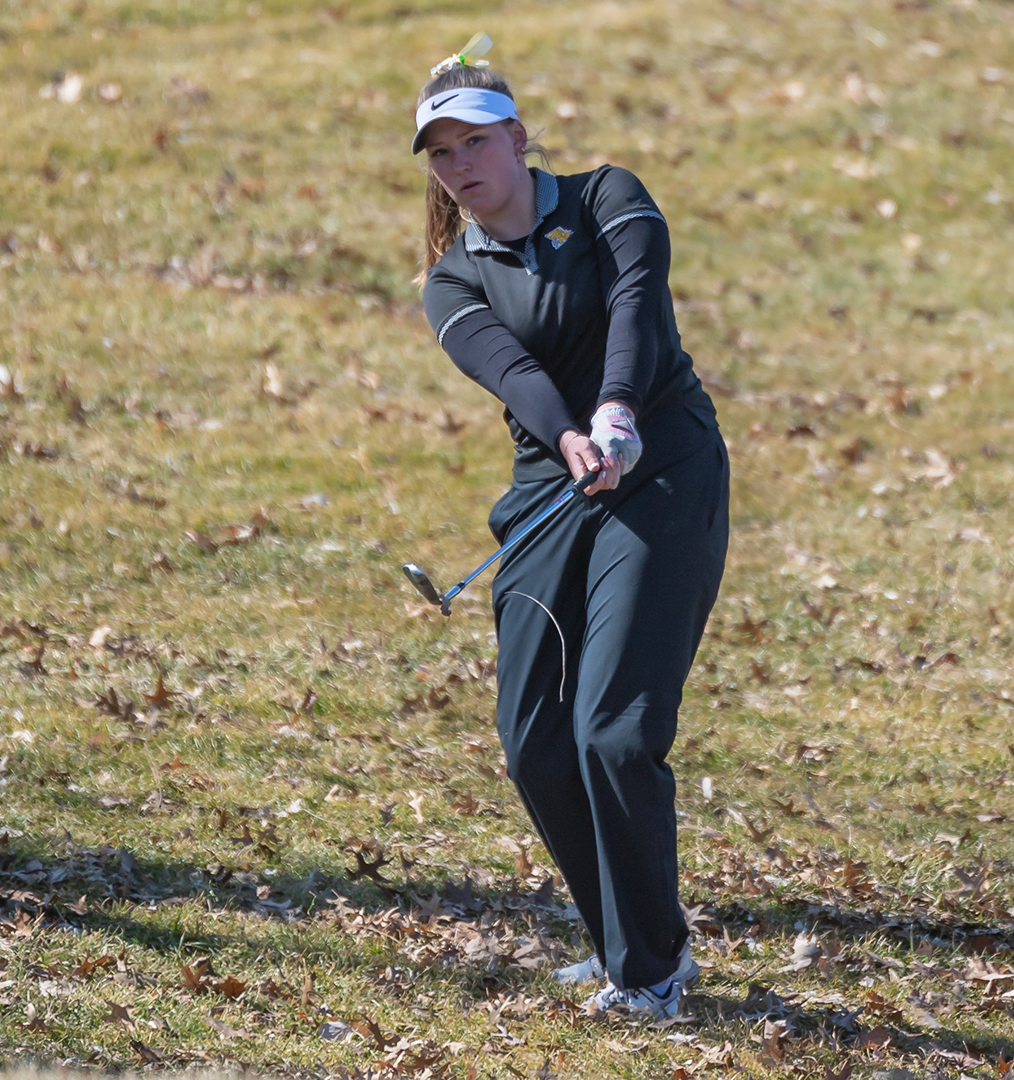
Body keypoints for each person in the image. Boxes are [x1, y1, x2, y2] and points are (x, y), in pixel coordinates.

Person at [411, 35, 730, 1019]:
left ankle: (653, 969)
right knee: (536, 742)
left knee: (614, 733)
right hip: (555, 485)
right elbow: (515, 374)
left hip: (662, 460)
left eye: (473, 144)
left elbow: (636, 304)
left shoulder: (607, 198)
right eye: (440, 154)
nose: (460, 169)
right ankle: (622, 941)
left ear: (515, 137)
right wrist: (571, 433)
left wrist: (622, 412)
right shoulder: (452, 279)